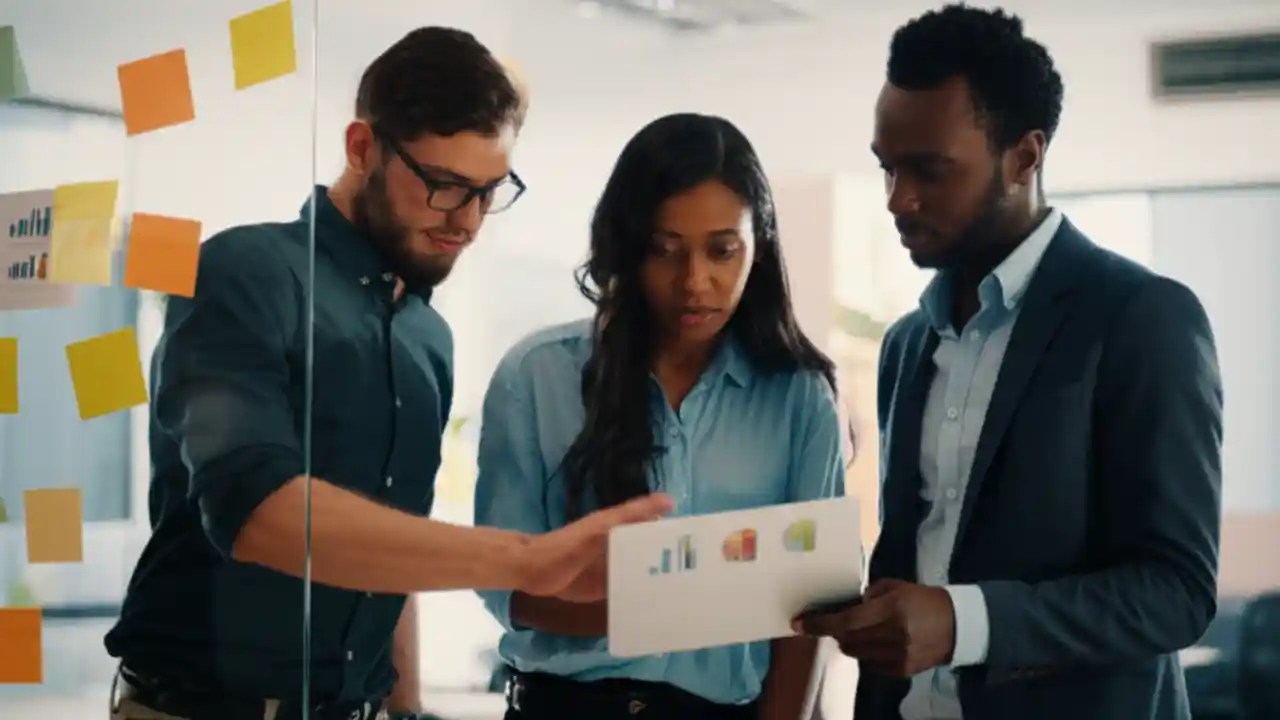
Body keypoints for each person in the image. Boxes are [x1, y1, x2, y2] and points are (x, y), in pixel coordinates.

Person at [103, 27, 671, 720]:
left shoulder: (426, 338)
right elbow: (258, 515)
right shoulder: (244, 273)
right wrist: (525, 558)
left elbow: (391, 550)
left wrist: (408, 708)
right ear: (361, 148)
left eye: (489, 191)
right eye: (444, 187)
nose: (468, 221)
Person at [794, 5, 1223, 720]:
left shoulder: (1142, 318)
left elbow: (1176, 592)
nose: (898, 199)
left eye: (929, 170)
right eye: (887, 168)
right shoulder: (907, 344)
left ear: (1025, 157)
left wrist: (965, 622)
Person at [473, 112, 848, 720]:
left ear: (759, 246)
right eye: (664, 251)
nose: (694, 282)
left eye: (722, 250)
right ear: (626, 248)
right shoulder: (537, 376)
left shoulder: (800, 398)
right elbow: (503, 585)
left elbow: (813, 609)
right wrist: (672, 606)